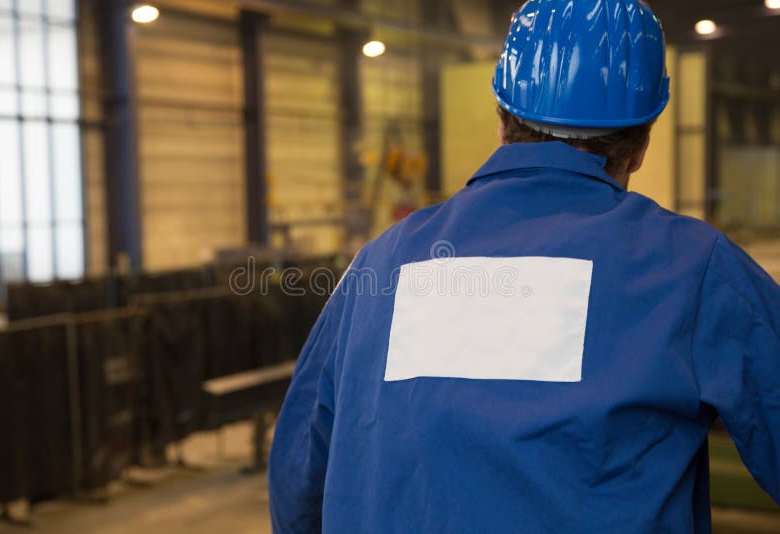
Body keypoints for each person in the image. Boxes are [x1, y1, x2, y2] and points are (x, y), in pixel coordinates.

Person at [268, 0, 780, 532]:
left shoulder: (379, 265)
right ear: (641, 144)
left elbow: (298, 482)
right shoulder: (693, 270)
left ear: (501, 119)